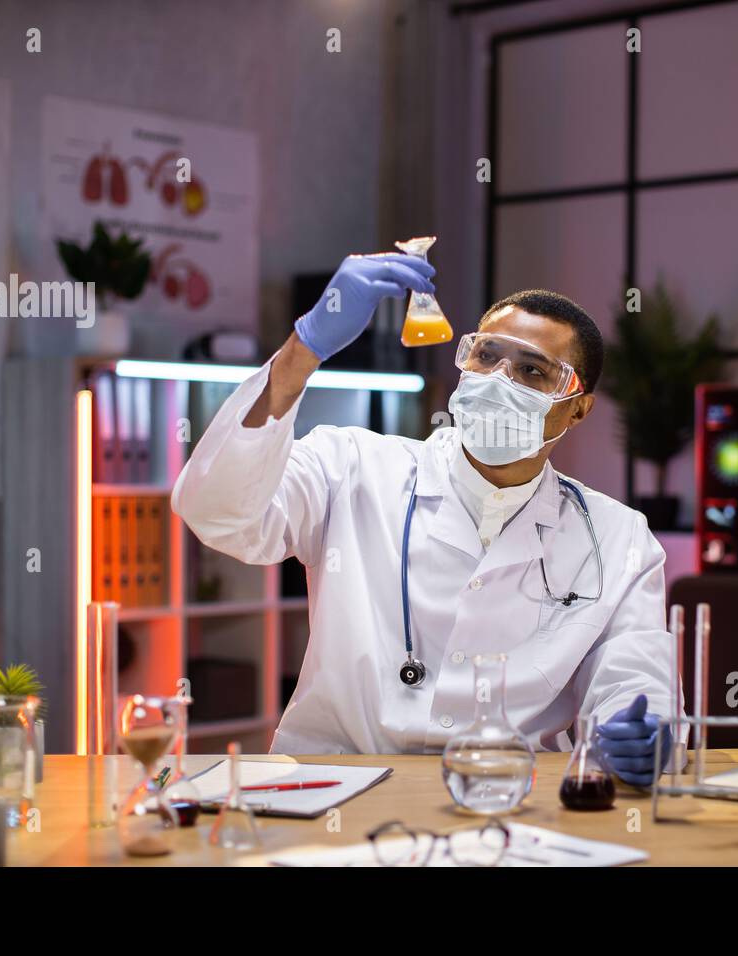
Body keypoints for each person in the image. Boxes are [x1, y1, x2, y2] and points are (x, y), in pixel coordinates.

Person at [172, 252, 678, 786]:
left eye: (532, 371)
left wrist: (640, 729)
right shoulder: (350, 465)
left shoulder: (616, 538)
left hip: (511, 794)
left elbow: (634, 677)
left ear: (578, 408)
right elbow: (217, 513)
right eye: (486, 355)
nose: (500, 380)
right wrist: (305, 351)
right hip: (332, 787)